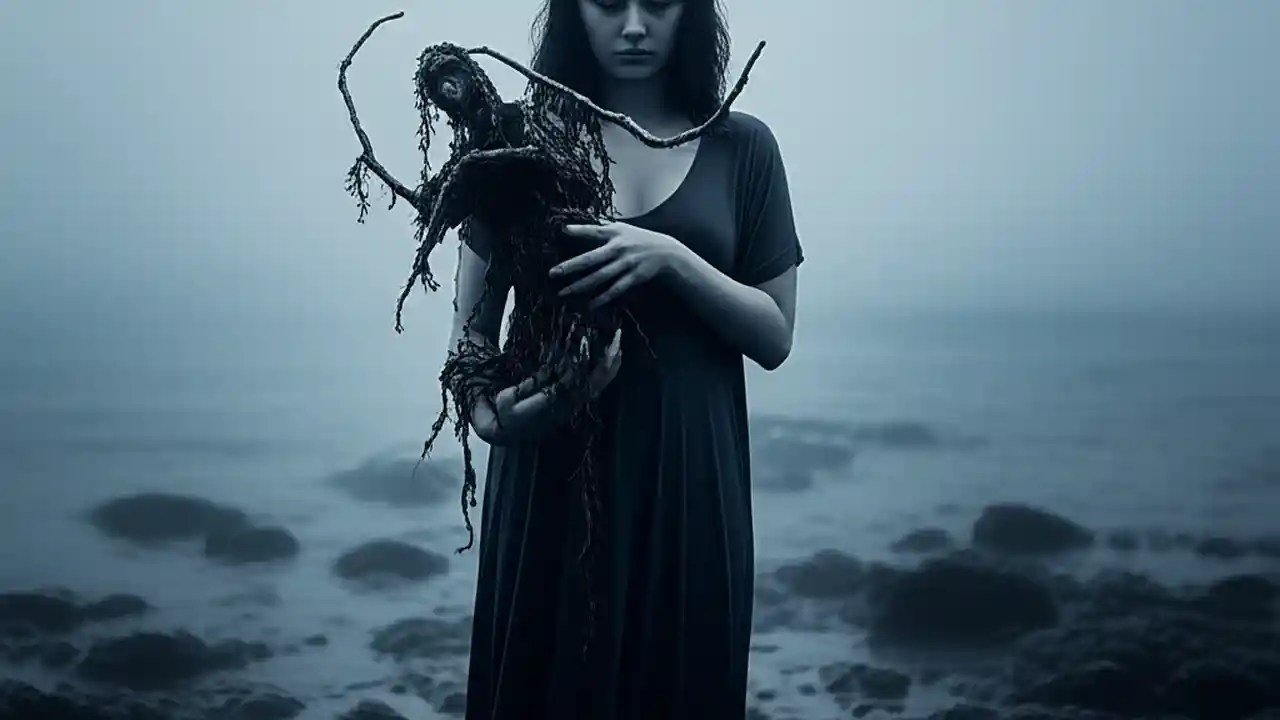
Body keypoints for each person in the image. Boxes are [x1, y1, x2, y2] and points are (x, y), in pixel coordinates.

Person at [446, 0, 803, 717]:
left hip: (689, 483)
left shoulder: (744, 148)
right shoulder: (517, 143)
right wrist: (545, 405)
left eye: (659, 4)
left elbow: (774, 335)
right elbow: (470, 352)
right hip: (550, 480)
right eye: (609, 3)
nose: (635, 26)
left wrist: (670, 259)